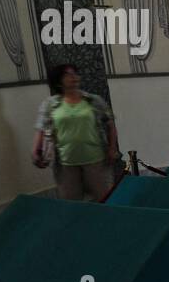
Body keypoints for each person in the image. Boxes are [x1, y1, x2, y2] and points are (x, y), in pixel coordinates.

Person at [32, 64, 119, 201]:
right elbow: (41, 127)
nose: (73, 77)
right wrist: (36, 150)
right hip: (66, 163)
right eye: (68, 74)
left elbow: (110, 123)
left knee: (106, 199)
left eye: (75, 73)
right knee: (71, 203)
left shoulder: (93, 101)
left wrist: (112, 147)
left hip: (95, 159)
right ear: (59, 80)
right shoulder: (50, 104)